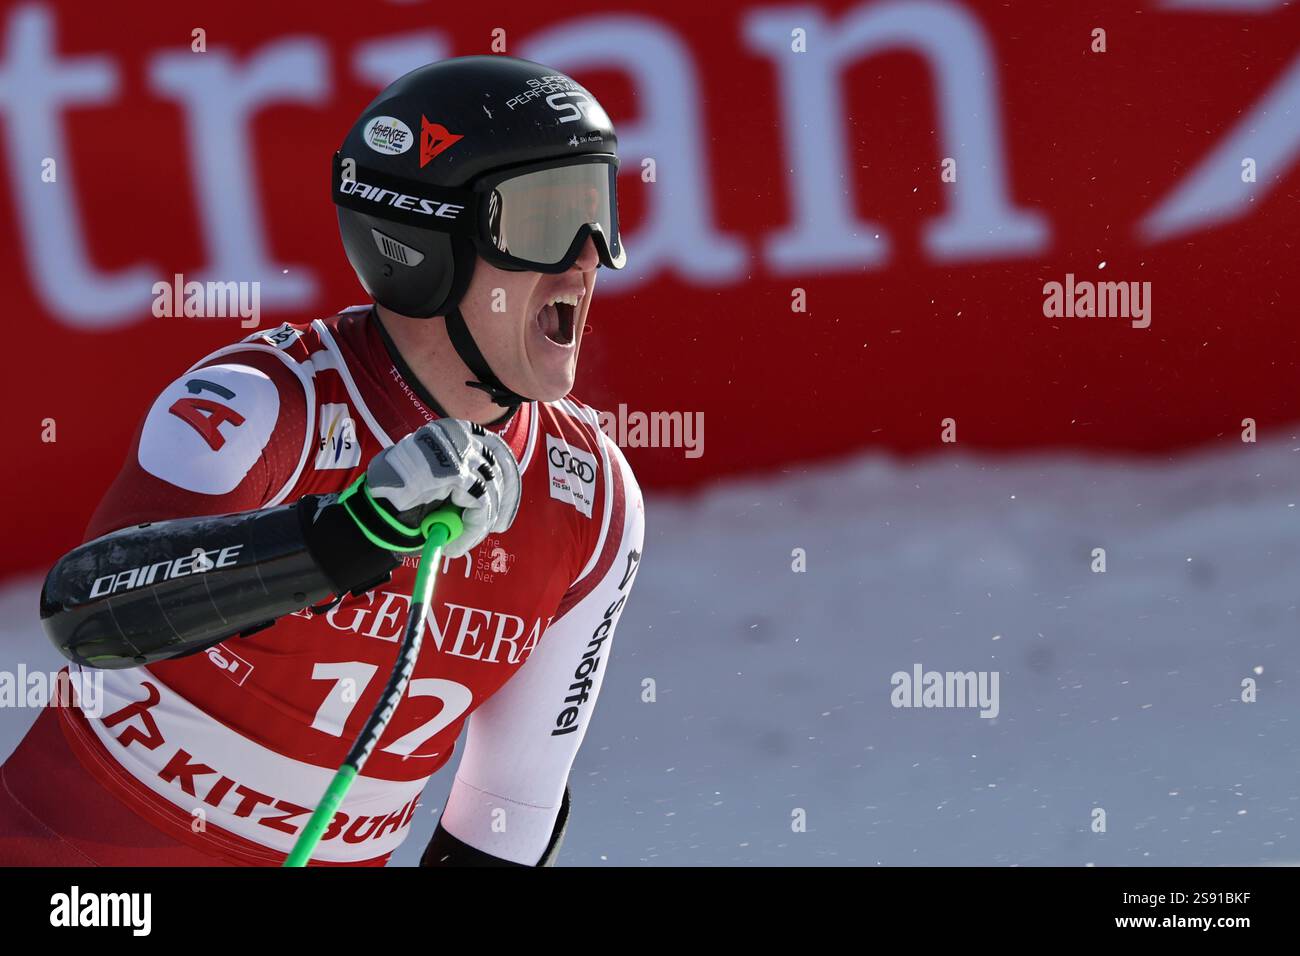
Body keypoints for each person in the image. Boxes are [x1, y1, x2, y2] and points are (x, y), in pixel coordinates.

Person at [0, 55, 644, 867]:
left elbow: (508, 812)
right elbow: (90, 611)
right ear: (423, 243)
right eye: (547, 221)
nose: (588, 258)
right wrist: (349, 535)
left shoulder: (594, 500)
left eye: (599, 213)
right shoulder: (261, 406)